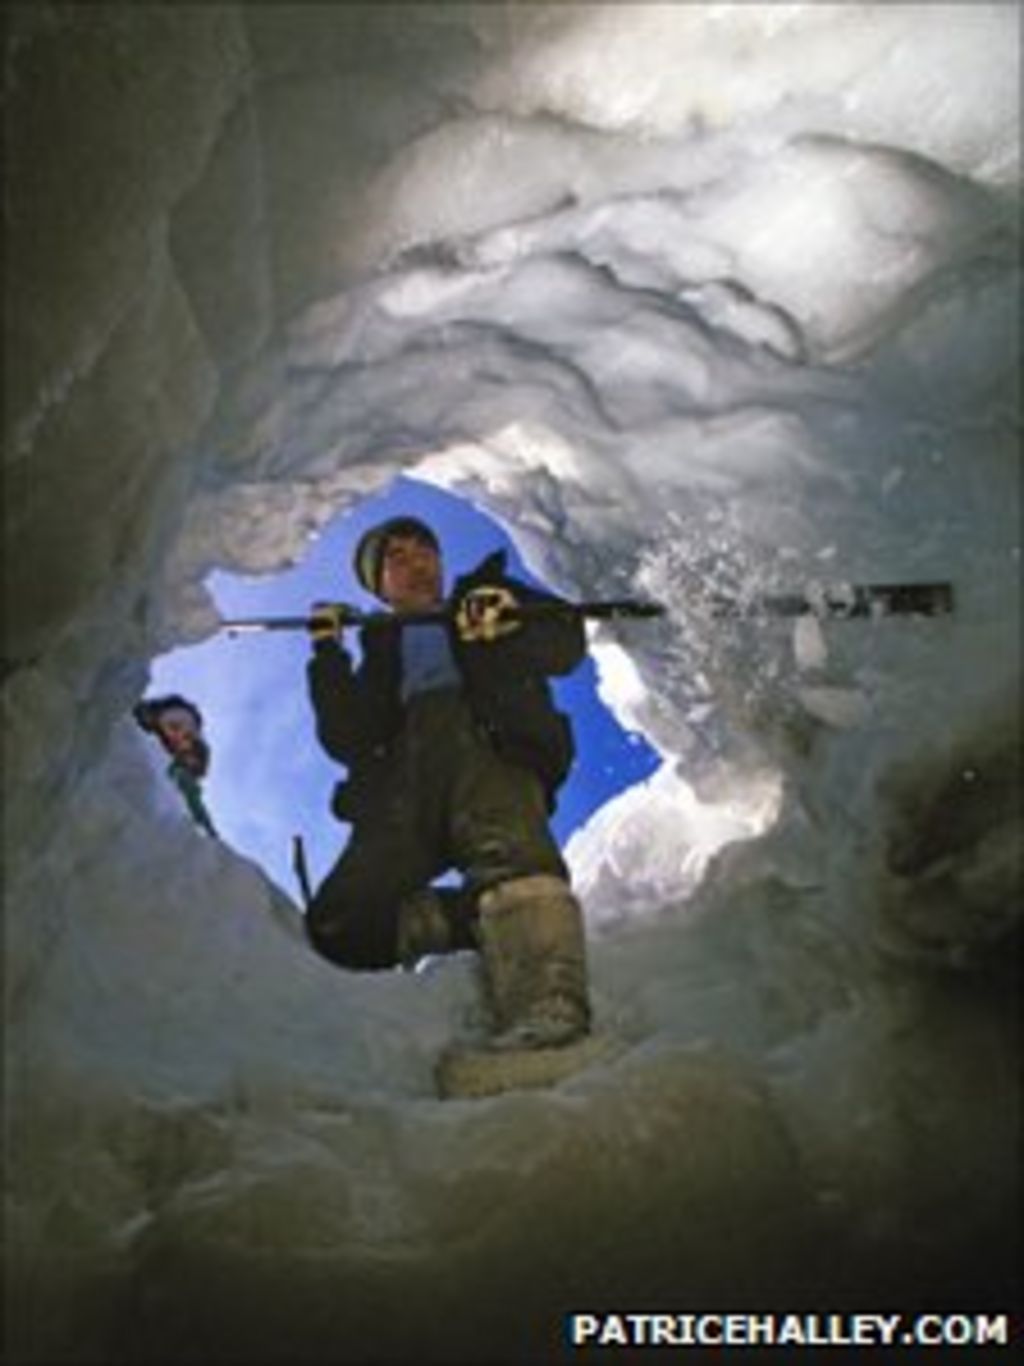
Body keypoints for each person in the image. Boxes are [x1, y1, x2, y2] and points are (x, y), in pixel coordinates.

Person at [304, 515, 592, 1052]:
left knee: (510, 853)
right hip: (403, 781)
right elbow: (349, 738)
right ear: (380, 588)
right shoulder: (382, 643)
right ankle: (488, 923)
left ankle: (549, 1016)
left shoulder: (483, 596)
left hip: (489, 741)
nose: (414, 562)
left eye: (423, 550)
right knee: (339, 924)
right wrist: (327, 656)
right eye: (395, 558)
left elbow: (565, 645)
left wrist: (515, 624)